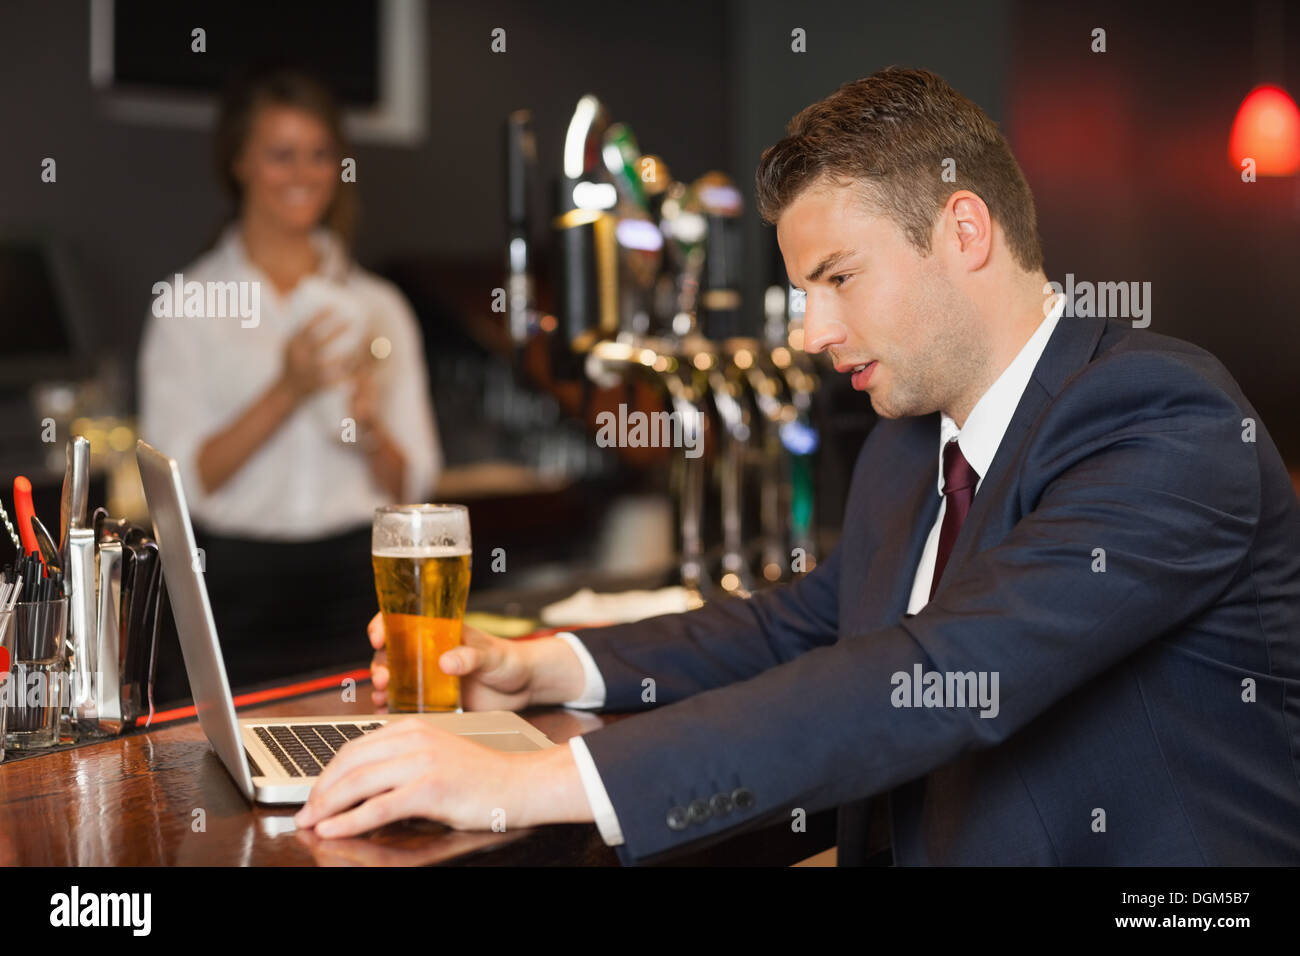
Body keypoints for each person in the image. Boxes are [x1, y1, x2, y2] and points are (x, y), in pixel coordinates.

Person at [293, 68, 1300, 865]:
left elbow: (945, 672)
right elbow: (802, 625)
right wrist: (549, 665)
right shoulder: (911, 441)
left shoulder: (1163, 417)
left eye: (839, 278)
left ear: (964, 231)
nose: (812, 332)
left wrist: (535, 783)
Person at [139, 68, 441, 694]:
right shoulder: (187, 304)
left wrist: (367, 427)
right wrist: (289, 389)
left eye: (320, 154)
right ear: (239, 163)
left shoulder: (379, 306)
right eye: (281, 154)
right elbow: (182, 486)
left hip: (357, 589)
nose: (303, 173)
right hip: (231, 593)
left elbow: (413, 485)